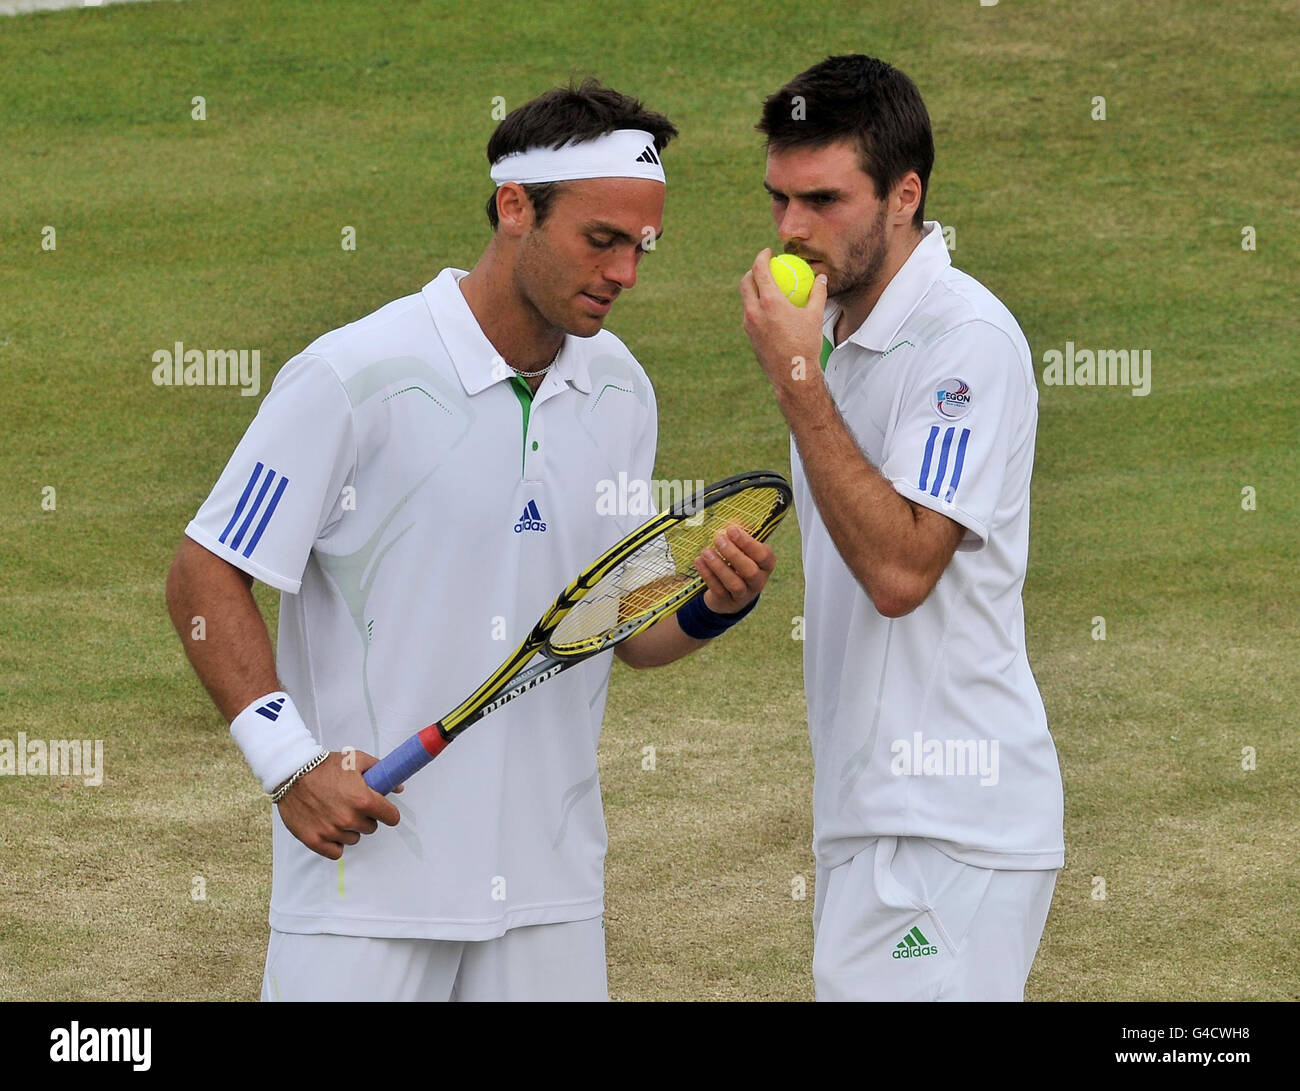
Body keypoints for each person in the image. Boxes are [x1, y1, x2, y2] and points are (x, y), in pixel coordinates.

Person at [166, 79, 776, 1002]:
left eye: (642, 246)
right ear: (514, 207)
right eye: (601, 239)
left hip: (550, 894)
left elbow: (616, 622)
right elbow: (204, 572)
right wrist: (288, 763)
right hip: (366, 895)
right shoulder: (352, 376)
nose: (626, 273)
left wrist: (713, 604)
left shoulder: (622, 392)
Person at [739, 54, 1064, 1001]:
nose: (793, 230)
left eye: (823, 200)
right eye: (779, 200)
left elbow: (901, 570)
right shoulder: (835, 336)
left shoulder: (966, 340)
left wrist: (795, 379)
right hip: (872, 817)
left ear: (903, 194)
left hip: (948, 825)